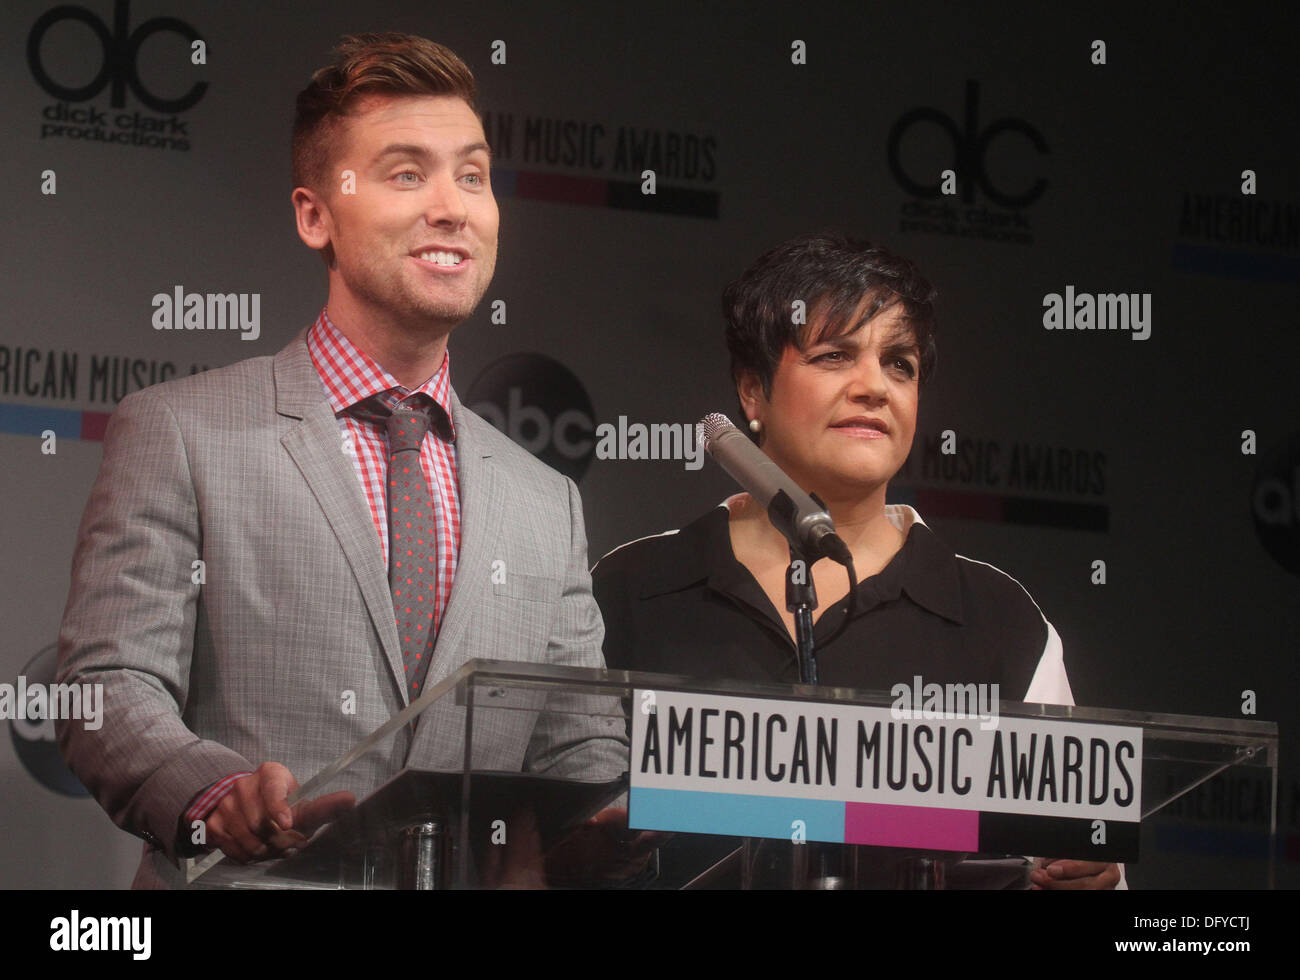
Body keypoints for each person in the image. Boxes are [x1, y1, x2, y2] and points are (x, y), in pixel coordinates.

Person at [55, 33, 626, 889]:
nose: (453, 206)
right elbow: (105, 686)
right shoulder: (180, 431)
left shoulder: (546, 501)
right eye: (407, 174)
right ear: (314, 213)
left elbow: (579, 745)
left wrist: (626, 812)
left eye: (472, 175)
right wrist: (216, 794)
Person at [593, 232, 1121, 889]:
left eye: (899, 362)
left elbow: (1069, 860)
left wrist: (1094, 878)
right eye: (835, 355)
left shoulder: (1000, 622)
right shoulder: (631, 590)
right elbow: (557, 845)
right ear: (752, 391)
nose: (874, 386)